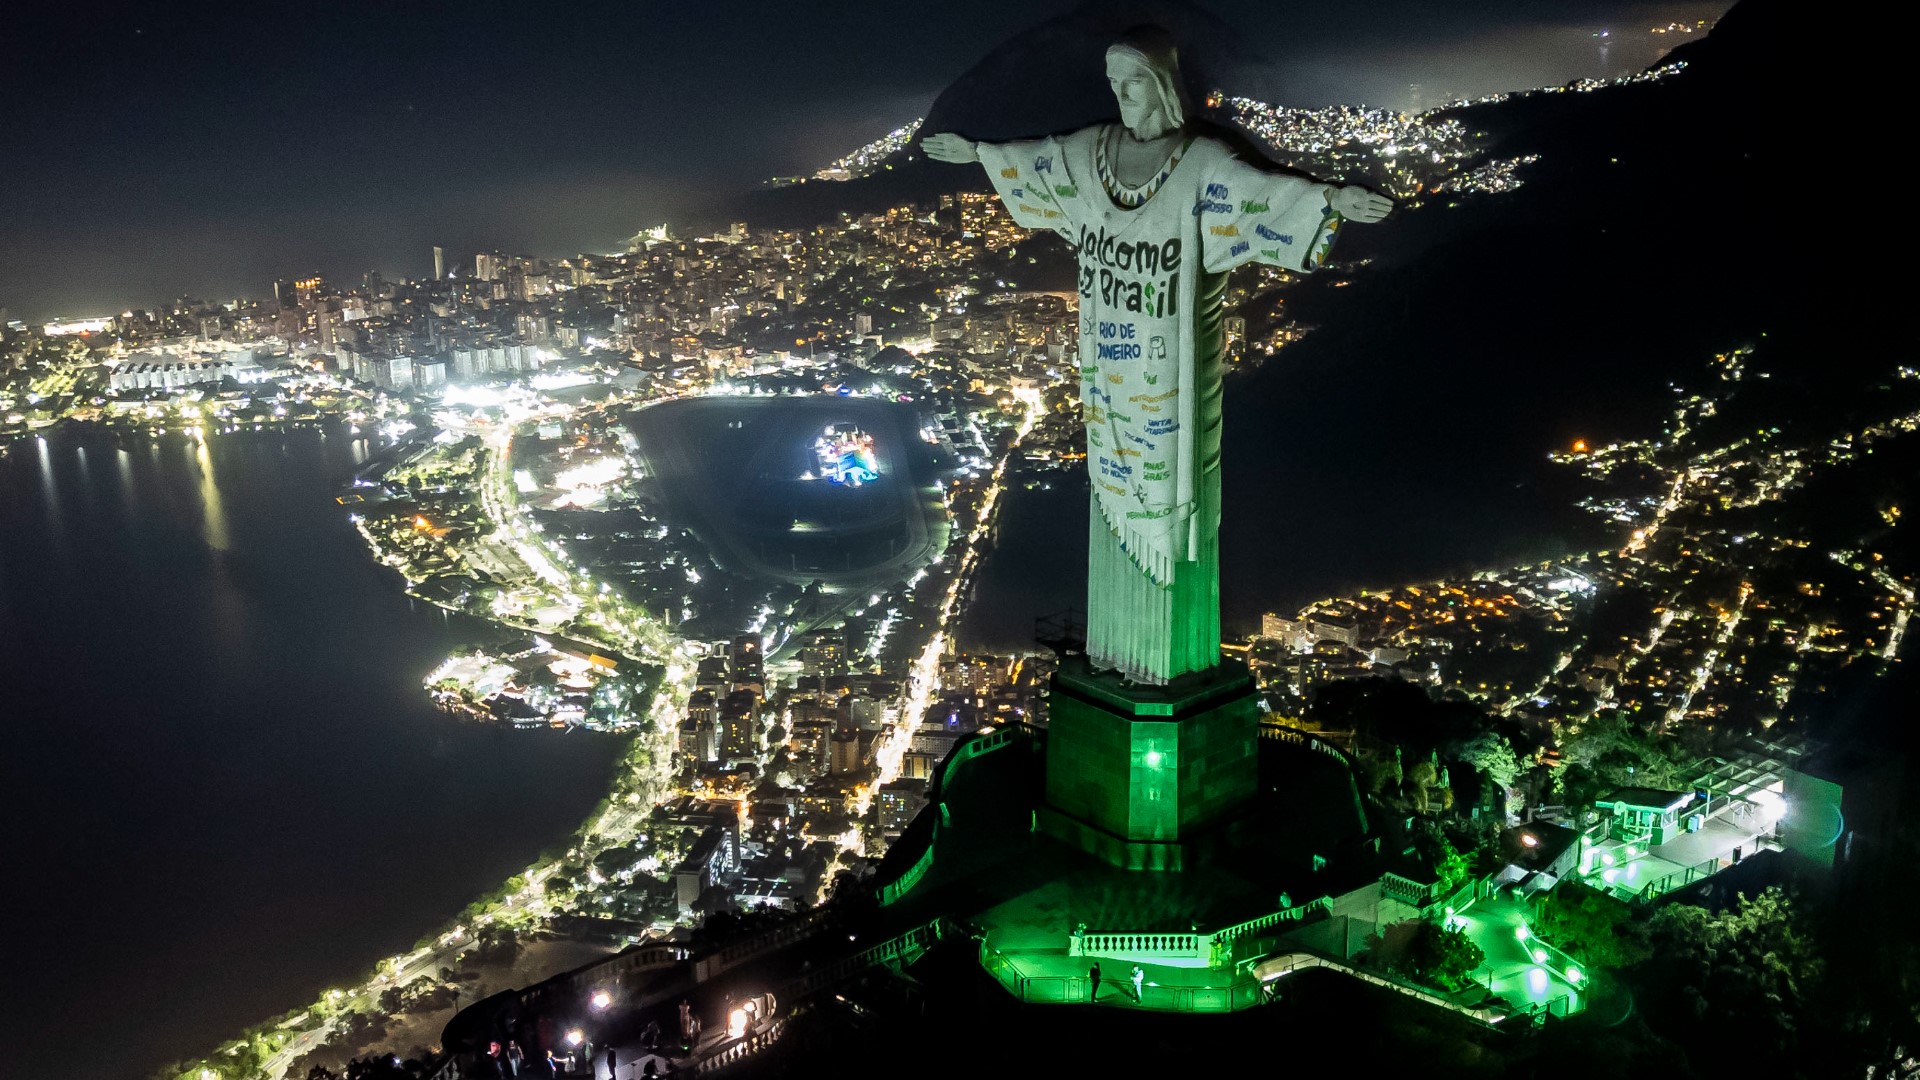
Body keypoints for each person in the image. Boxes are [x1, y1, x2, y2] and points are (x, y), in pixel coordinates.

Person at [923, 26, 1391, 685]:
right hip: (1107, 366)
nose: (1123, 95)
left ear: (1164, 86)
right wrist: (975, 151)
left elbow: (1260, 193)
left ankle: (1164, 663)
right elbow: (1039, 161)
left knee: (1176, 498)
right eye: (1115, 83)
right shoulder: (1095, 154)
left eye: (1134, 81)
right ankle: (1122, 658)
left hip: (1170, 368)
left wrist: (1331, 201)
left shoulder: (1199, 162)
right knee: (1110, 488)